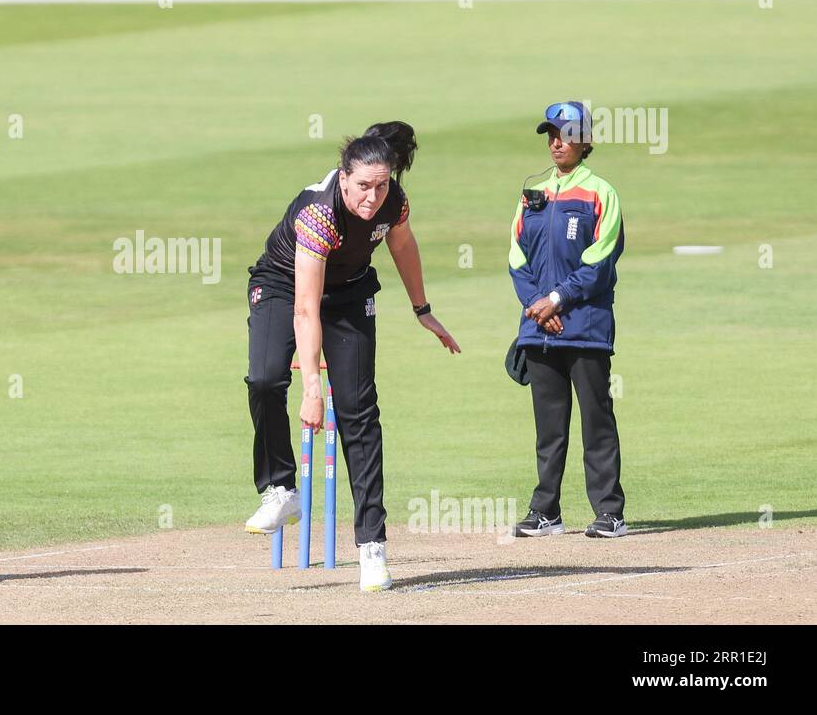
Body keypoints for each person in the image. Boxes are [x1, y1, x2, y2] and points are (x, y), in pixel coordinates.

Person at [244, 122, 460, 591]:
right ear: (343, 178)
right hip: (284, 286)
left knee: (361, 413)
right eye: (363, 185)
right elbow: (305, 307)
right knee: (264, 380)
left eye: (381, 185)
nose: (372, 196)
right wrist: (312, 390)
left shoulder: (393, 202)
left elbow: (402, 245)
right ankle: (281, 488)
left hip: (350, 291)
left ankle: (372, 547)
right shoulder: (320, 215)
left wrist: (423, 310)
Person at [509, 101, 628, 539]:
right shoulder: (532, 194)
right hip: (540, 330)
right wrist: (538, 304)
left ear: (586, 141)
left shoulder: (601, 193)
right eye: (551, 135)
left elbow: (600, 261)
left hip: (586, 327)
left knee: (597, 420)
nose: (557, 142)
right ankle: (546, 512)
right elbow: (516, 258)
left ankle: (610, 512)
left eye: (566, 134)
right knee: (549, 427)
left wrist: (556, 299)